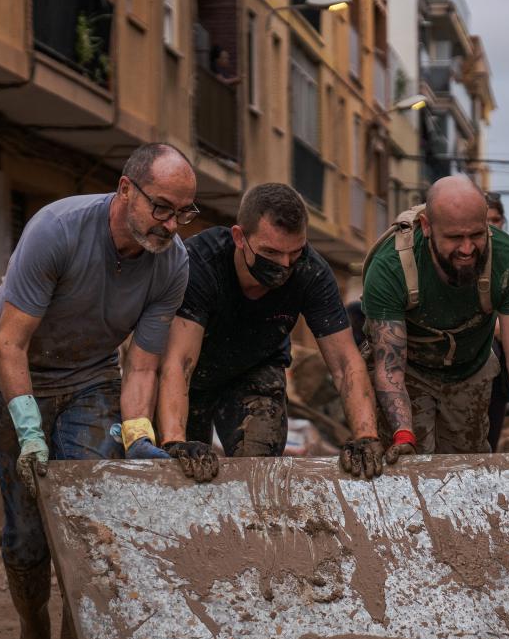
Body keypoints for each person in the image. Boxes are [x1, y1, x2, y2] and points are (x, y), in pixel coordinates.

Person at [0, 143, 193, 639]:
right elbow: (10, 343)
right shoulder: (57, 230)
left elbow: (141, 365)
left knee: (86, 517)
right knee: (27, 529)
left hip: (91, 381)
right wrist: (29, 432)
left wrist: (138, 434)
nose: (171, 225)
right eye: (162, 208)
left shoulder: (172, 263)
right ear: (125, 190)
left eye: (182, 213)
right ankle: (33, 633)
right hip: (15, 376)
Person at [156, 182, 383, 481]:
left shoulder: (311, 272)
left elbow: (345, 362)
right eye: (271, 252)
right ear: (239, 237)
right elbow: (180, 362)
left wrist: (366, 436)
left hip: (256, 368)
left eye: (294, 252)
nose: (284, 265)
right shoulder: (200, 261)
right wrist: (174, 441)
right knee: (183, 472)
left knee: (260, 474)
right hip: (191, 372)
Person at [361, 175, 509, 459]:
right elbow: (390, 367)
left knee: (466, 467)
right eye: (454, 238)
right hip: (409, 369)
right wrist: (403, 435)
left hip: (471, 369)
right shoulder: (391, 267)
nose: (467, 249)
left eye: (476, 235)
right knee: (410, 462)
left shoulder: (508, 262)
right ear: (426, 226)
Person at [483, 191, 509, 450]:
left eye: (495, 220)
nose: (491, 227)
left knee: (489, 442)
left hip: (498, 374)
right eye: (485, 220)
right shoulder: (457, 258)